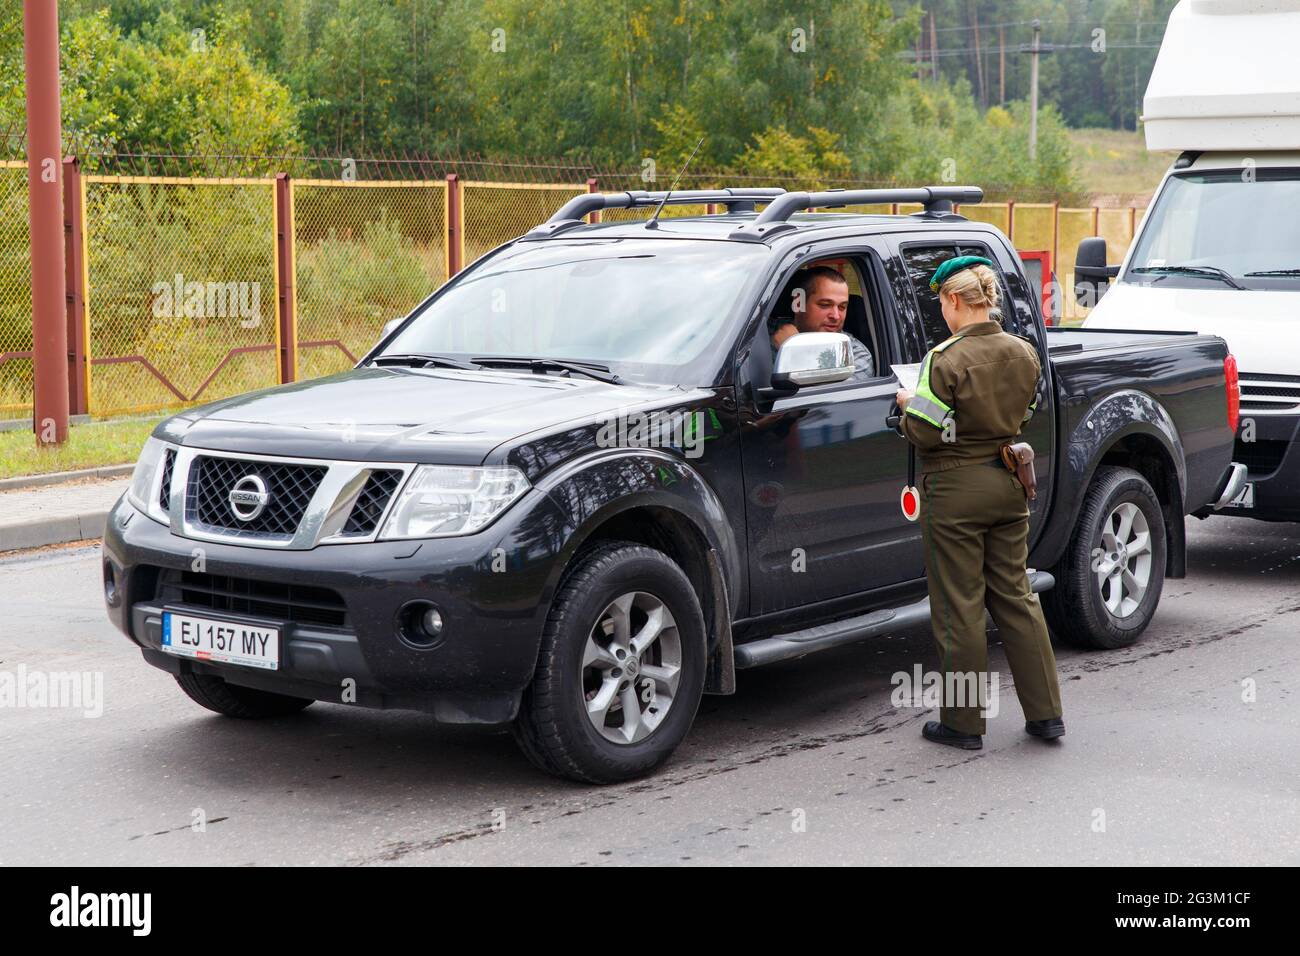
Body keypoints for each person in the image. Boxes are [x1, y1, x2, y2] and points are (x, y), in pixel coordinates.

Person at [894, 255, 1064, 750]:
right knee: (1016, 596)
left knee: (959, 606)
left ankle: (963, 724)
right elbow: (1028, 409)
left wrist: (906, 407)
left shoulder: (943, 359)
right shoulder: (1024, 352)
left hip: (955, 491)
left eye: (941, 304)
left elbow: (927, 433)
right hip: (1010, 482)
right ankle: (1046, 715)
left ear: (953, 300)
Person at [771, 266, 874, 379]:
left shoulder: (855, 355)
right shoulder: (764, 333)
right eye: (825, 305)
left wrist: (795, 351)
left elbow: (828, 395)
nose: (835, 316)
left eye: (842, 307)